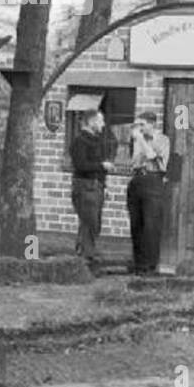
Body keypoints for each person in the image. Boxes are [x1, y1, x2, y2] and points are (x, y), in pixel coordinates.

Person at [69, 109, 115, 273]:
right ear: (91, 122)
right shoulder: (79, 141)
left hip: (97, 186)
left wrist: (104, 185)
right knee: (89, 223)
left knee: (94, 224)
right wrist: (101, 166)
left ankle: (85, 257)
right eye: (100, 121)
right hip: (85, 186)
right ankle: (85, 260)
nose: (103, 124)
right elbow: (81, 165)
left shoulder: (97, 141)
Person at [127, 111, 171, 275]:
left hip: (153, 180)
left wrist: (140, 140)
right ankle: (138, 264)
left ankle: (150, 265)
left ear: (152, 124)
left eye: (142, 124)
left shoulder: (162, 140)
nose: (139, 128)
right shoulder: (136, 140)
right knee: (136, 224)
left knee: (151, 225)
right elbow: (134, 161)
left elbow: (153, 157)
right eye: (137, 125)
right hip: (137, 180)